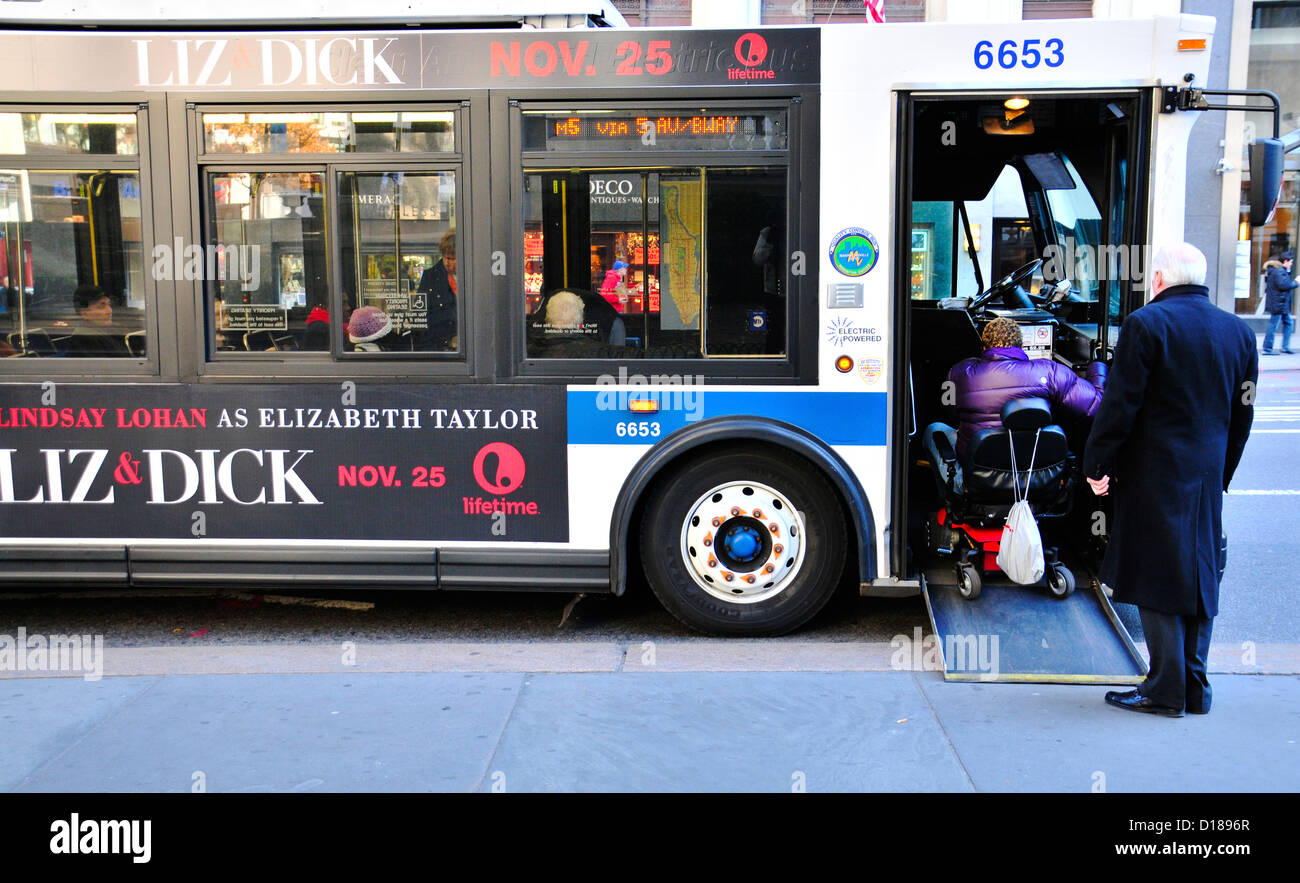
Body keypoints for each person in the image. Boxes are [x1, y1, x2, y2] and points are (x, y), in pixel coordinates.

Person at [1085, 242, 1256, 717]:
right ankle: (1194, 688)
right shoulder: (1238, 331)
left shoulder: (1147, 324)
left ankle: (1164, 689)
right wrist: (1221, 472)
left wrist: (1097, 465)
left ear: (1158, 278)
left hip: (1153, 471)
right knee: (1201, 573)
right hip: (1205, 474)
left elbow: (1120, 406)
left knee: (1156, 574)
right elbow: (1243, 414)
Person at [922, 317, 1106, 490]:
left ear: (984, 346)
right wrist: (1098, 365)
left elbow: (952, 414)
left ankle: (954, 495)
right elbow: (1097, 408)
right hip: (1036, 482)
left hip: (978, 483)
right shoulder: (1050, 371)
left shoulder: (959, 372)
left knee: (935, 429)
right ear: (1021, 346)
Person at [417, 230, 459, 350]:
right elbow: (420, 315)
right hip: (438, 346)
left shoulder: (475, 277)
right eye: (445, 257)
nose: (446, 263)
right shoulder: (430, 277)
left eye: (451, 259)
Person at [62, 284, 131, 357]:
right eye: (102, 306)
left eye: (109, 304)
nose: (109, 311)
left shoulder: (105, 330)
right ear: (84, 313)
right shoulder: (85, 338)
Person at [1261, 250, 1295, 355]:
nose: (1291, 264)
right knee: (1274, 325)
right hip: (1278, 303)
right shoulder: (1279, 271)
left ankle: (1284, 347)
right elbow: (1284, 285)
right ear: (1285, 261)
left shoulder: (1279, 271)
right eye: (1290, 262)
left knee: (1288, 323)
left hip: (1281, 303)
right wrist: (1296, 282)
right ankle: (1267, 349)